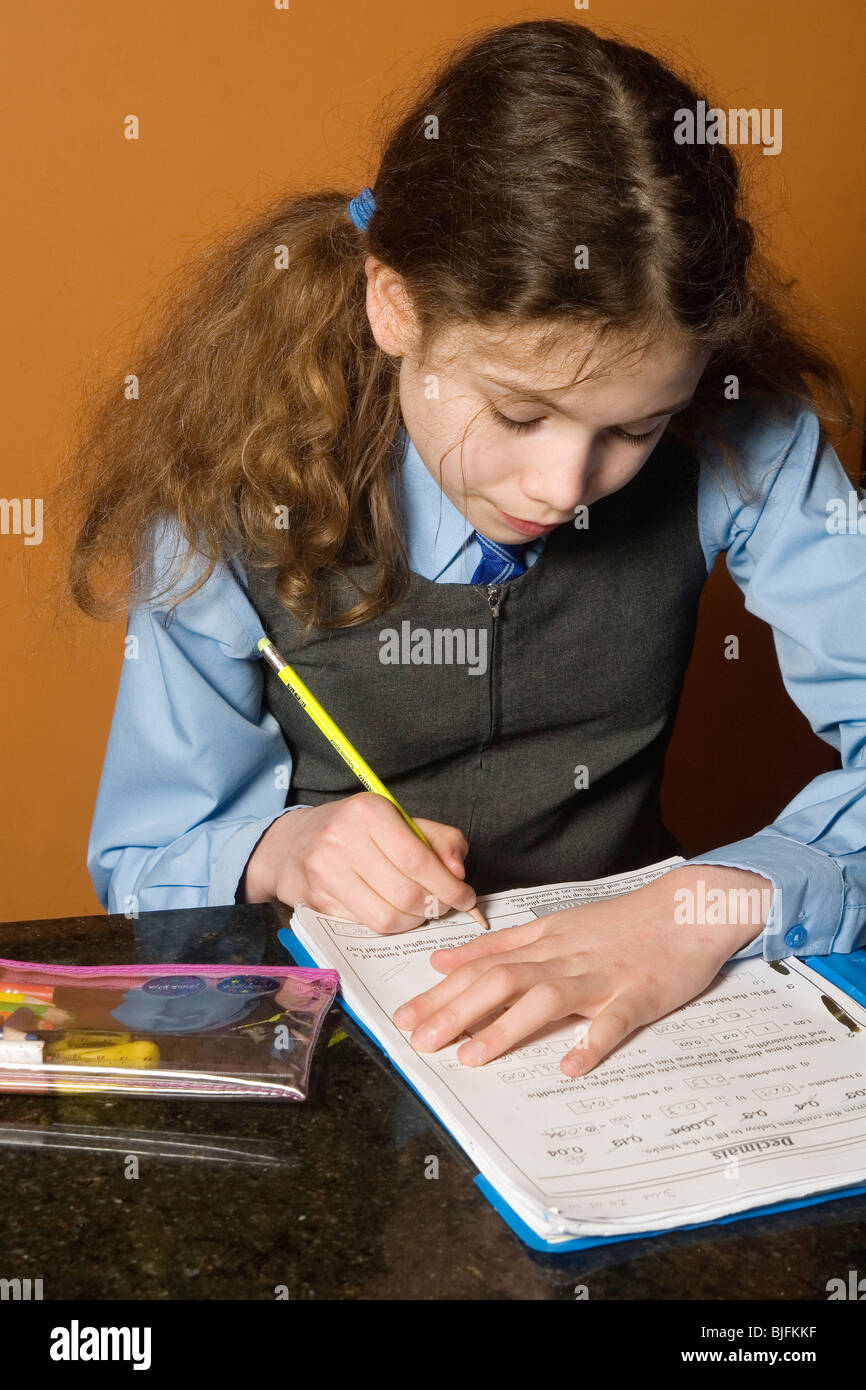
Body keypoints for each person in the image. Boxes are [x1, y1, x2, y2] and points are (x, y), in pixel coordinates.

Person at [57, 19, 865, 1076]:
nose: (562, 487)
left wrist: (709, 902)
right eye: (519, 414)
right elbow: (142, 858)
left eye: (633, 428)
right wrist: (279, 847)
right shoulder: (232, 494)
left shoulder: (743, 435)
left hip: (630, 1029)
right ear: (394, 303)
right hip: (349, 1041)